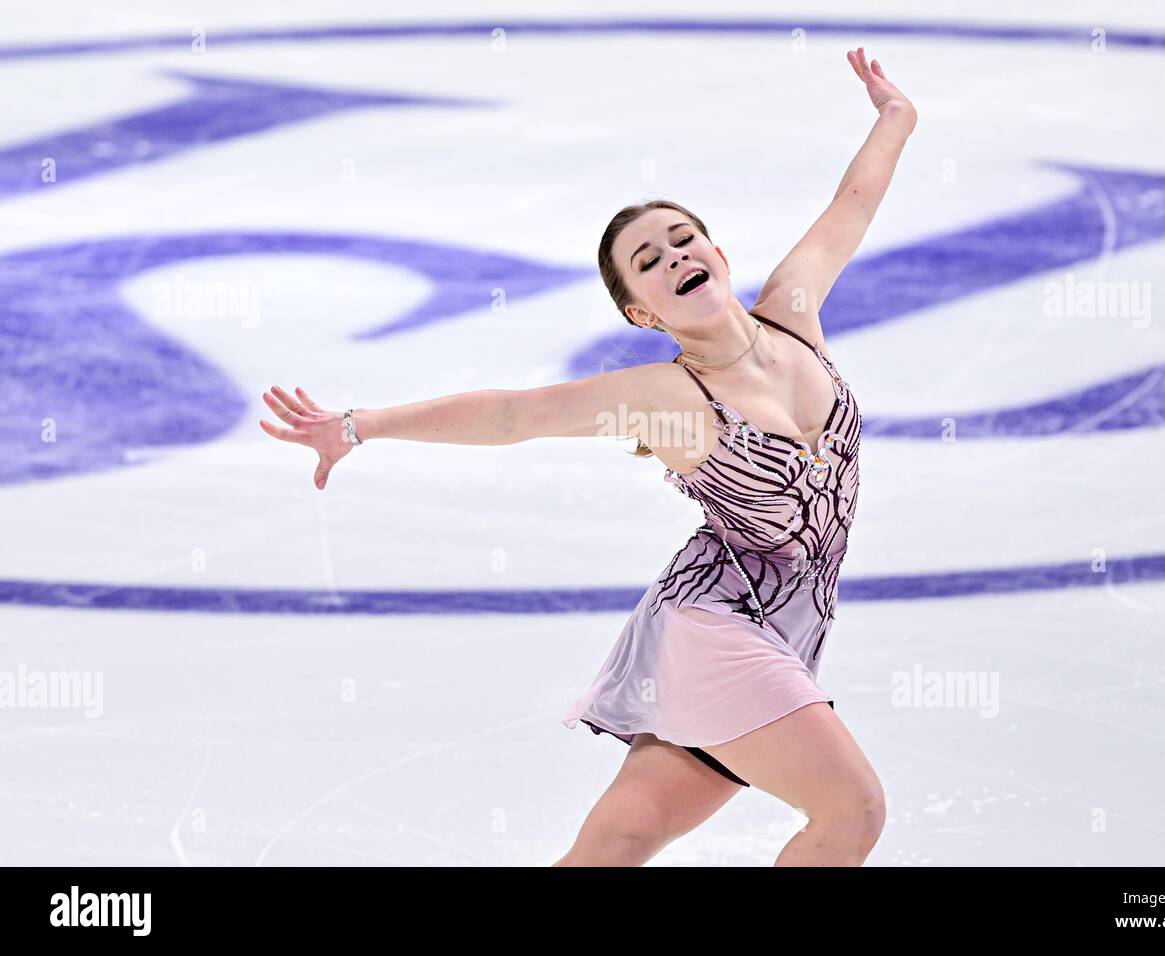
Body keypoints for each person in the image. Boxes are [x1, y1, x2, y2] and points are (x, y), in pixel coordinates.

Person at [260, 49, 916, 866]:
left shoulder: (792, 313)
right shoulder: (670, 399)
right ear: (642, 311)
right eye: (651, 260)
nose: (676, 255)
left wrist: (895, 117)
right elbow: (512, 416)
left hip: (787, 630)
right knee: (851, 809)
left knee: (620, 842)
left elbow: (851, 205)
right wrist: (358, 425)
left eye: (684, 240)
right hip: (717, 628)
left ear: (718, 254)